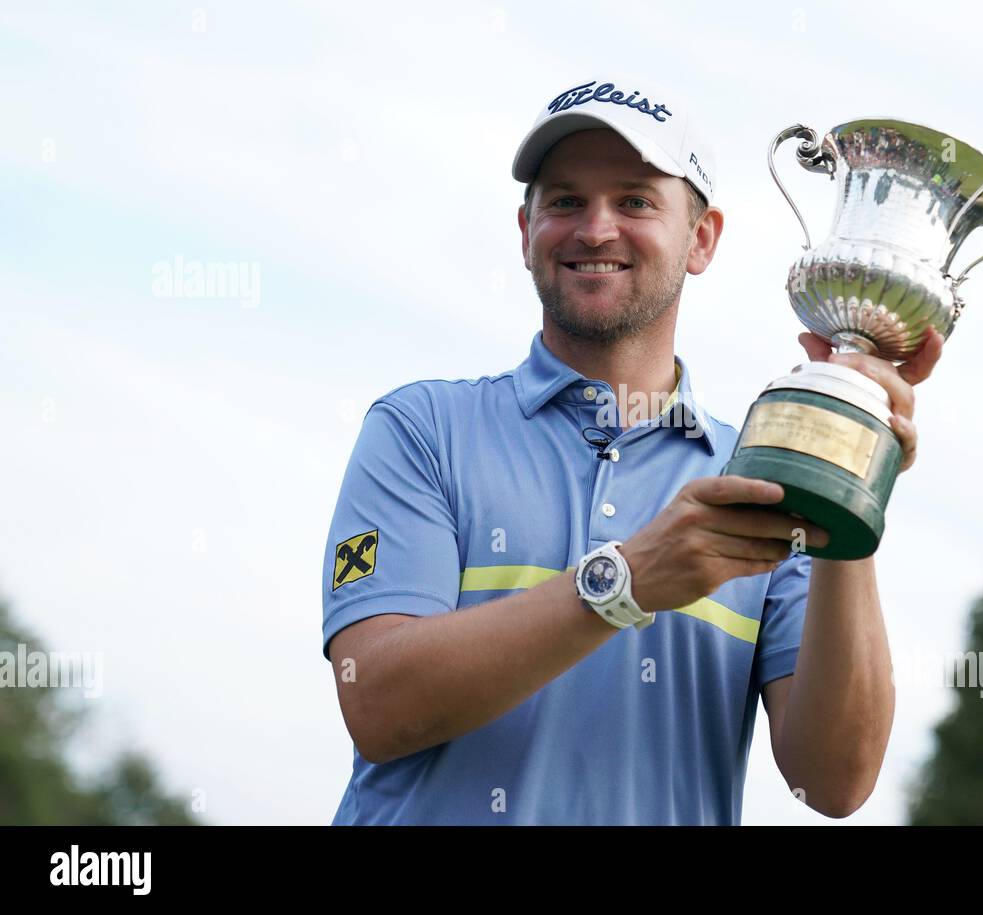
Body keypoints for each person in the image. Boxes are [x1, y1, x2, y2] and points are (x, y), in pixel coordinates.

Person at [320, 75, 944, 825]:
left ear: (702, 237)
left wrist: (848, 483)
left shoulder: (764, 477)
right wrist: (626, 580)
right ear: (525, 232)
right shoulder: (421, 428)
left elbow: (835, 779)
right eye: (565, 201)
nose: (595, 228)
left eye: (636, 200)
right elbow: (379, 702)